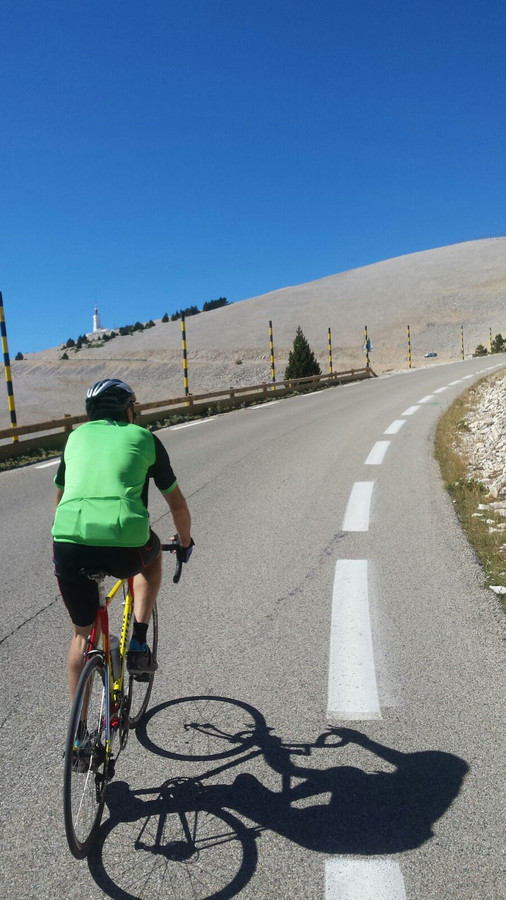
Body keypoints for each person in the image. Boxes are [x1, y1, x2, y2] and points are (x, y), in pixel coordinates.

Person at [52, 378, 193, 705]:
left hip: (68, 541)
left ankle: (79, 743)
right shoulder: (144, 438)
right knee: (153, 556)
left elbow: (59, 498)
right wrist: (184, 543)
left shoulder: (74, 439)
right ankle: (138, 644)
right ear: (129, 411)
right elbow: (178, 505)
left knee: (81, 636)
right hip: (125, 543)